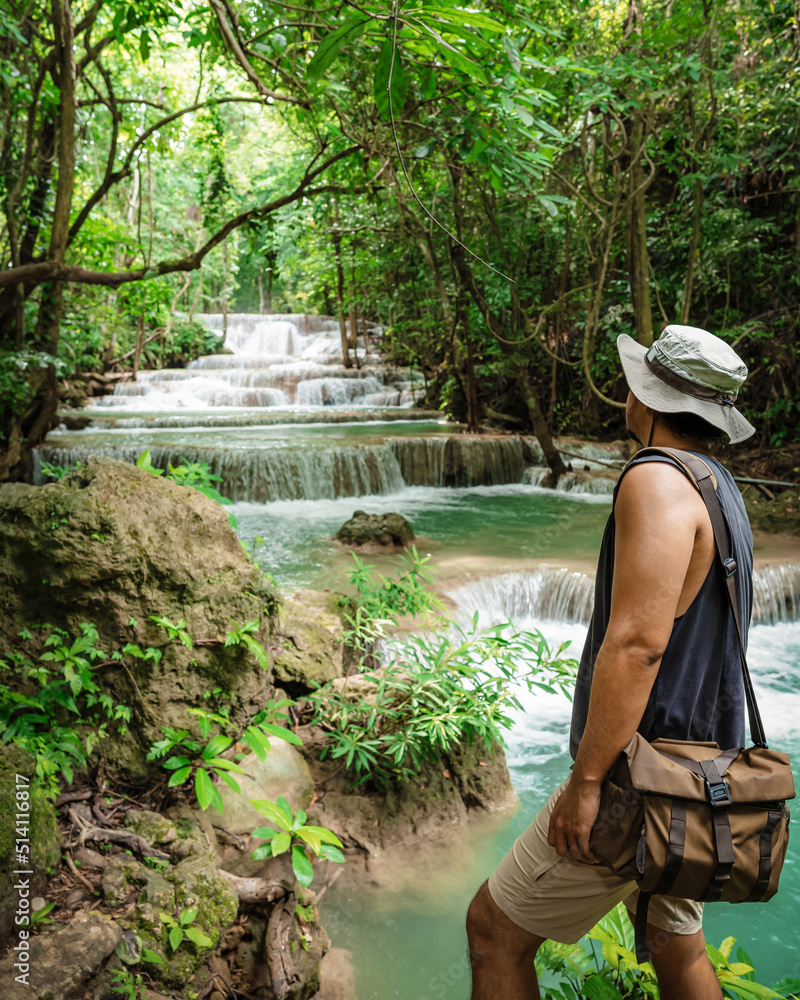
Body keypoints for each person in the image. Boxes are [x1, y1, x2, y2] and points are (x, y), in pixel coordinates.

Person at [467, 325, 756, 1000]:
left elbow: (637, 645)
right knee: (674, 948)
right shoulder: (719, 487)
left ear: (644, 397)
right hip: (700, 771)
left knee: (492, 930)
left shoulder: (655, 480)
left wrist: (588, 782)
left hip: (642, 780)